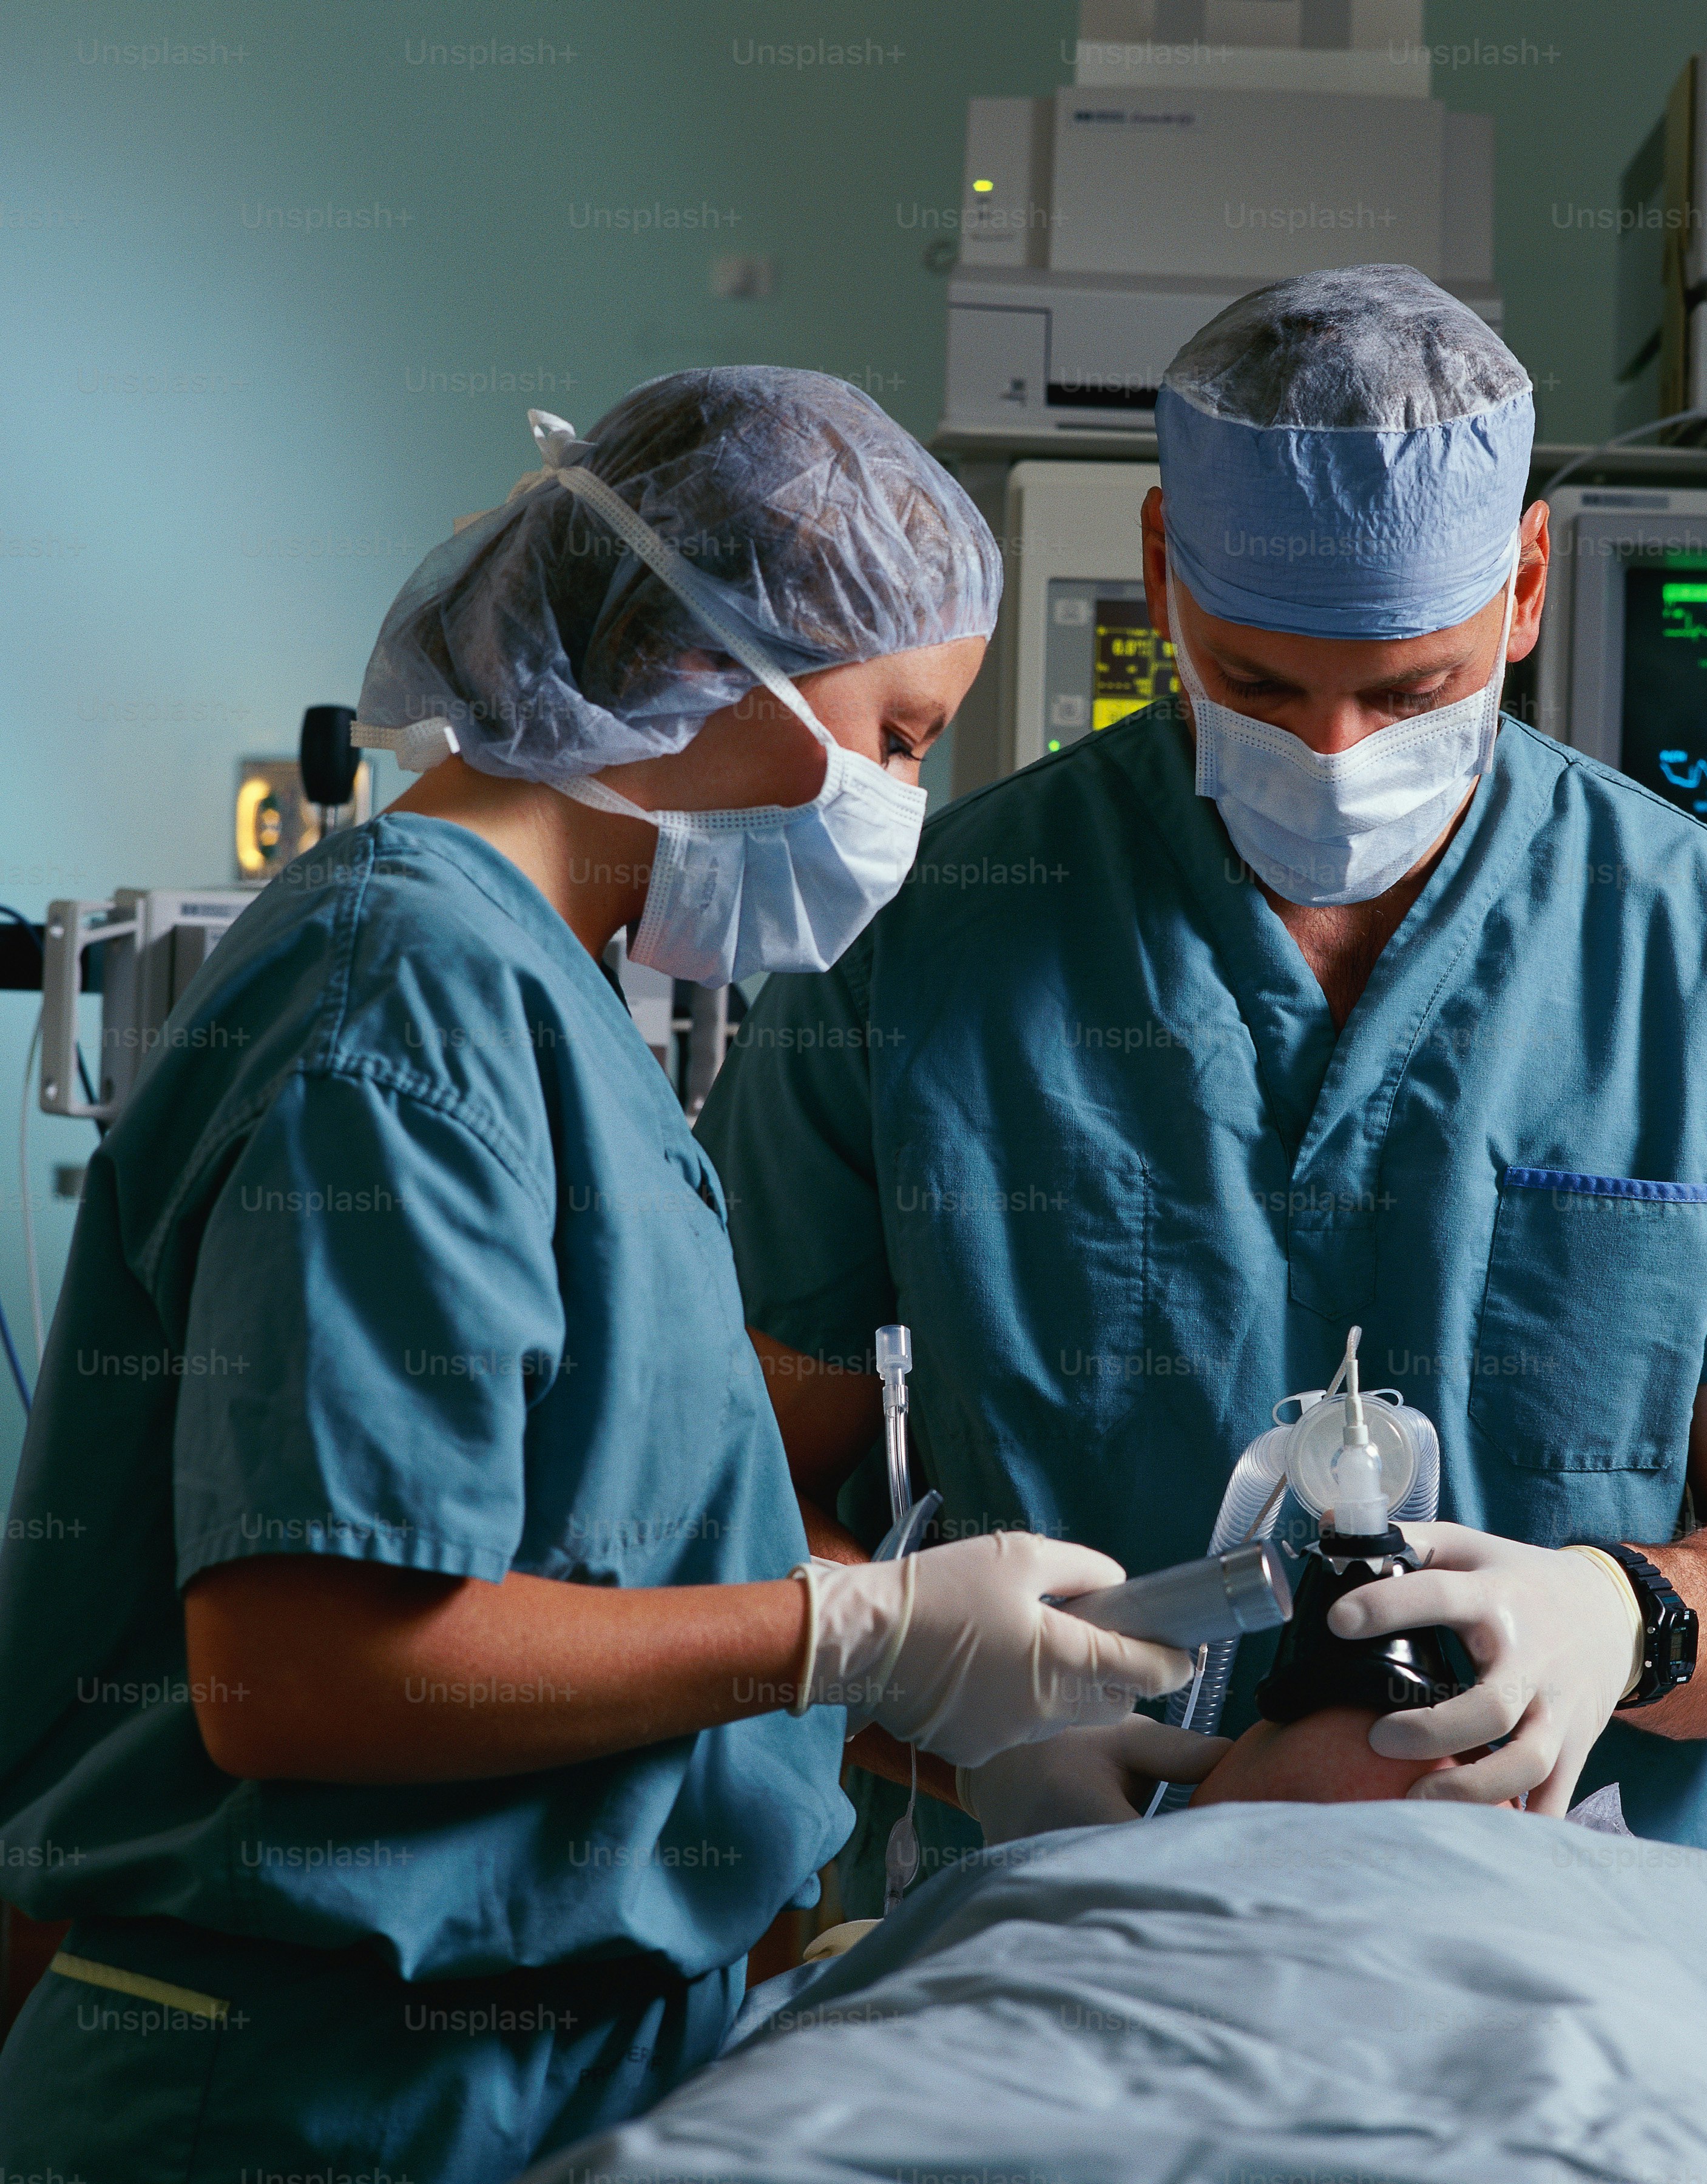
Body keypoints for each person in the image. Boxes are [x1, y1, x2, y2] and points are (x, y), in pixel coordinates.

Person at [0, 368, 1189, 2183]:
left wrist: (949, 1723)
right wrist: (854, 1633)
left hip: (511, 2073)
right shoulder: (404, 1000)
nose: (903, 800)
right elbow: (303, 1673)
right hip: (321, 2094)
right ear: (711, 661)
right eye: (896, 738)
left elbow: (592, 1563)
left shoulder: (545, 996)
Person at [698, 267, 1707, 1904]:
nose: (1337, 756)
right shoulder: (923, 949)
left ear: (1526, 586)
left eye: (1413, 693)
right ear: (1161, 572)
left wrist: (1625, 1618)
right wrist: (949, 1721)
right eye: (1262, 688)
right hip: (1043, 1929)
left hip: (1553, 1948)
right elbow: (727, 1499)